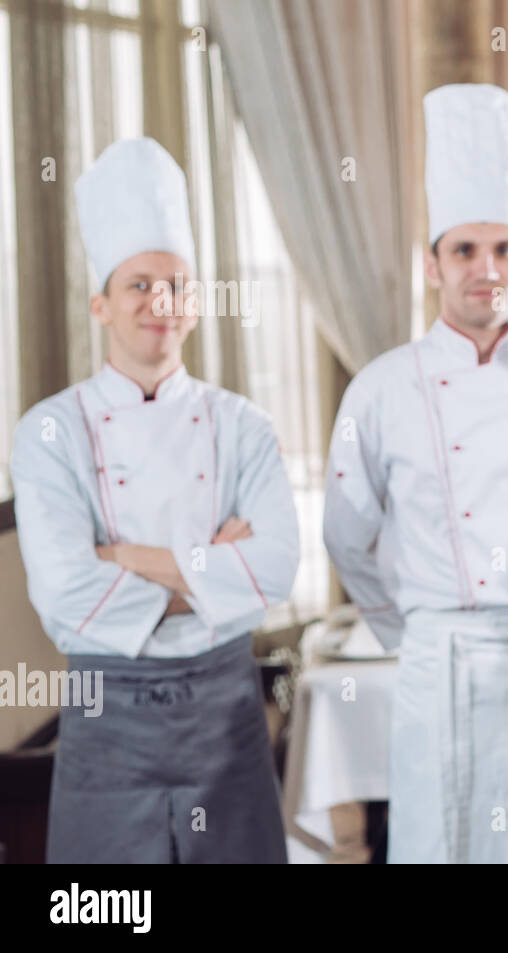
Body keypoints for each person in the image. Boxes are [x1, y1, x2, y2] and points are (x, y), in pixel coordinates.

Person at [323, 83, 508, 864]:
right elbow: (346, 535)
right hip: (439, 667)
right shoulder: (382, 387)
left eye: (502, 250)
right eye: (464, 250)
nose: (484, 270)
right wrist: (422, 627)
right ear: (433, 264)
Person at [11, 137, 300, 863]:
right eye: (139, 284)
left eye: (176, 283)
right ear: (101, 303)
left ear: (197, 304)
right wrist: (211, 576)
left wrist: (127, 558)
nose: (160, 302)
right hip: (107, 725)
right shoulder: (49, 430)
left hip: (227, 719)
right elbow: (64, 593)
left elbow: (276, 568)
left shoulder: (244, 425)